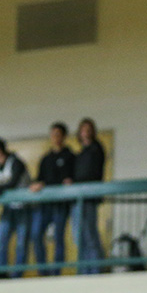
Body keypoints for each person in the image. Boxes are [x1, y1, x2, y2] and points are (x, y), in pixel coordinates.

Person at [30, 122, 75, 275]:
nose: (55, 138)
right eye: (53, 134)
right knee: (36, 234)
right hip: (45, 204)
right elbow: (39, 179)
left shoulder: (70, 156)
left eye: (58, 134)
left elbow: (71, 179)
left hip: (61, 204)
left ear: (63, 136)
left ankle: (57, 271)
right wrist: (37, 184)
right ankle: (43, 270)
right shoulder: (46, 158)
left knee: (58, 237)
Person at [0, 137, 31, 278]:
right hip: (8, 208)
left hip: (23, 208)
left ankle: (18, 274)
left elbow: (13, 182)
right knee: (0, 240)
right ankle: (2, 272)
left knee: (21, 243)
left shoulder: (16, 162)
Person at [72, 118, 106, 274]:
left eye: (88, 129)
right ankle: (85, 269)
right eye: (82, 129)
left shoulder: (96, 149)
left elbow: (91, 173)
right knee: (80, 235)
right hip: (79, 197)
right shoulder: (81, 152)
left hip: (89, 197)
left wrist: (75, 182)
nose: (85, 132)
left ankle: (95, 269)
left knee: (90, 234)